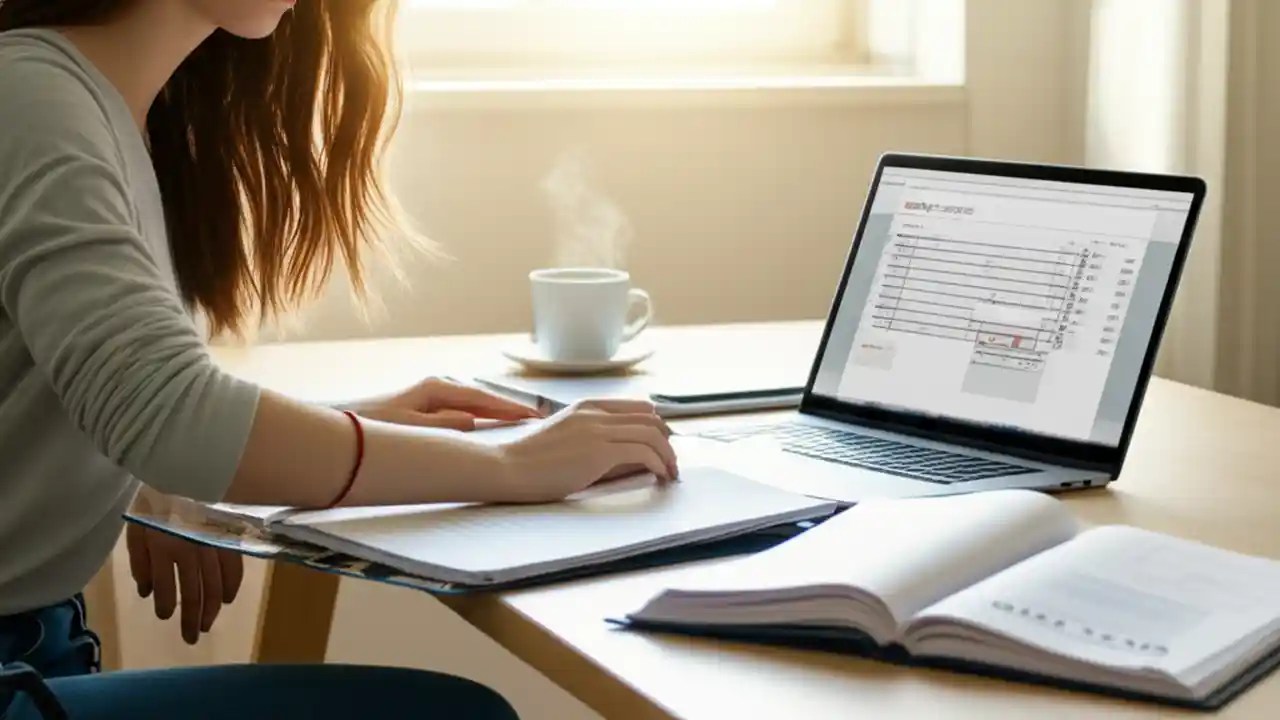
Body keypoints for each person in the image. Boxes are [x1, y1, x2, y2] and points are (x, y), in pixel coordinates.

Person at [0, 0, 680, 717]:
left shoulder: (112, 112)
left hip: (39, 645)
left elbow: (113, 406)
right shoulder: (33, 97)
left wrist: (348, 424)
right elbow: (171, 418)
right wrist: (513, 467)